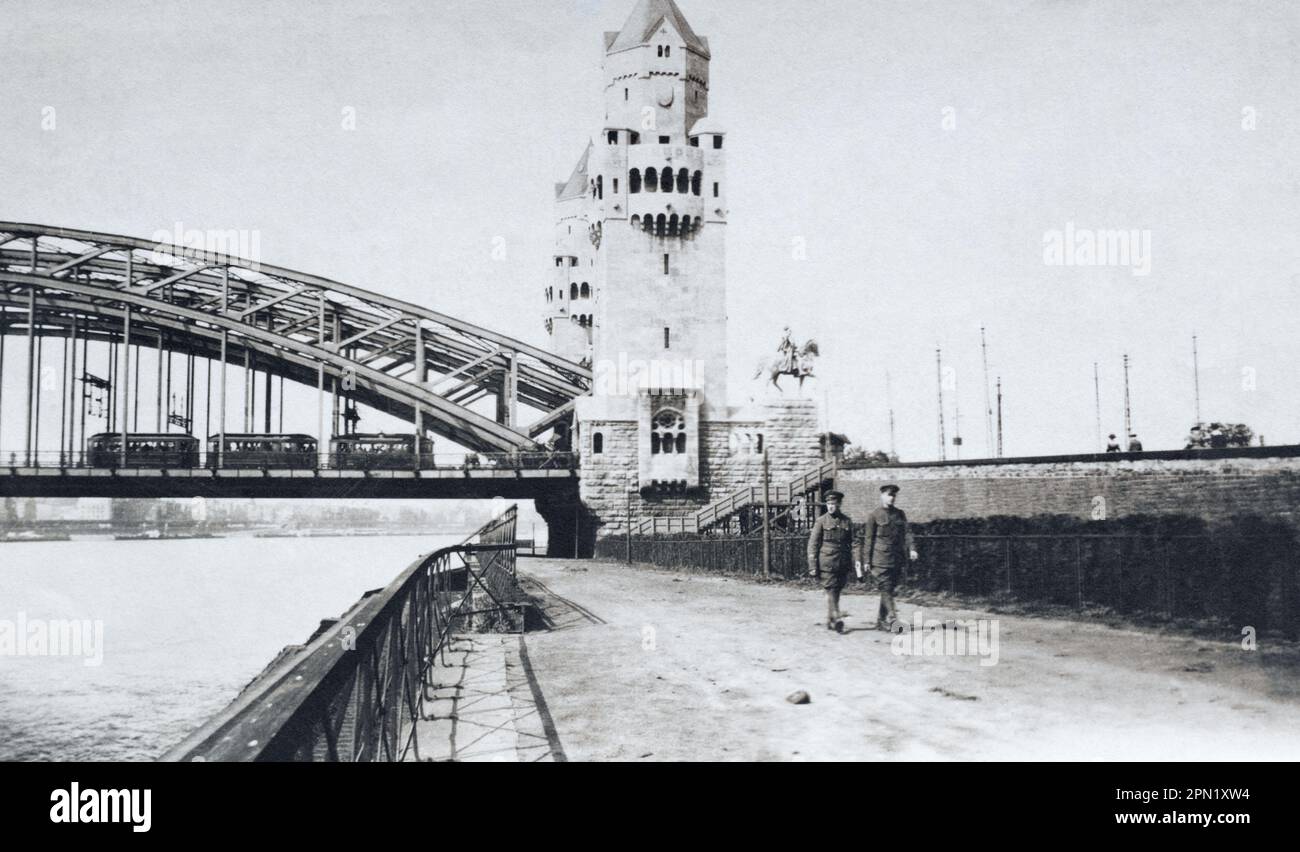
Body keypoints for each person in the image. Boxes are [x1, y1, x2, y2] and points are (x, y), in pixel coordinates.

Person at [860, 484, 918, 632]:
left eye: (893, 495)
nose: (891, 498)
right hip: (879, 558)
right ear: (882, 496)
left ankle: (880, 621)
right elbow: (868, 539)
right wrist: (866, 560)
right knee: (885, 587)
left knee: (889, 589)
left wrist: (912, 549)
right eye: (888, 495)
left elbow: (907, 533)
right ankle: (893, 619)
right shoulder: (874, 515)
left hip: (896, 558)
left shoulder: (900, 514)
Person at [806, 490, 854, 633]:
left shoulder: (846, 521)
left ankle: (830, 619)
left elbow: (854, 542)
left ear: (839, 504)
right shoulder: (821, 521)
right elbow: (812, 544)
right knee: (831, 589)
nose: (831, 506)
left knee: (837, 590)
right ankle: (837, 617)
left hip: (842, 562)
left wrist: (856, 561)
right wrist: (812, 565)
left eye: (833, 504)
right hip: (826, 561)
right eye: (828, 504)